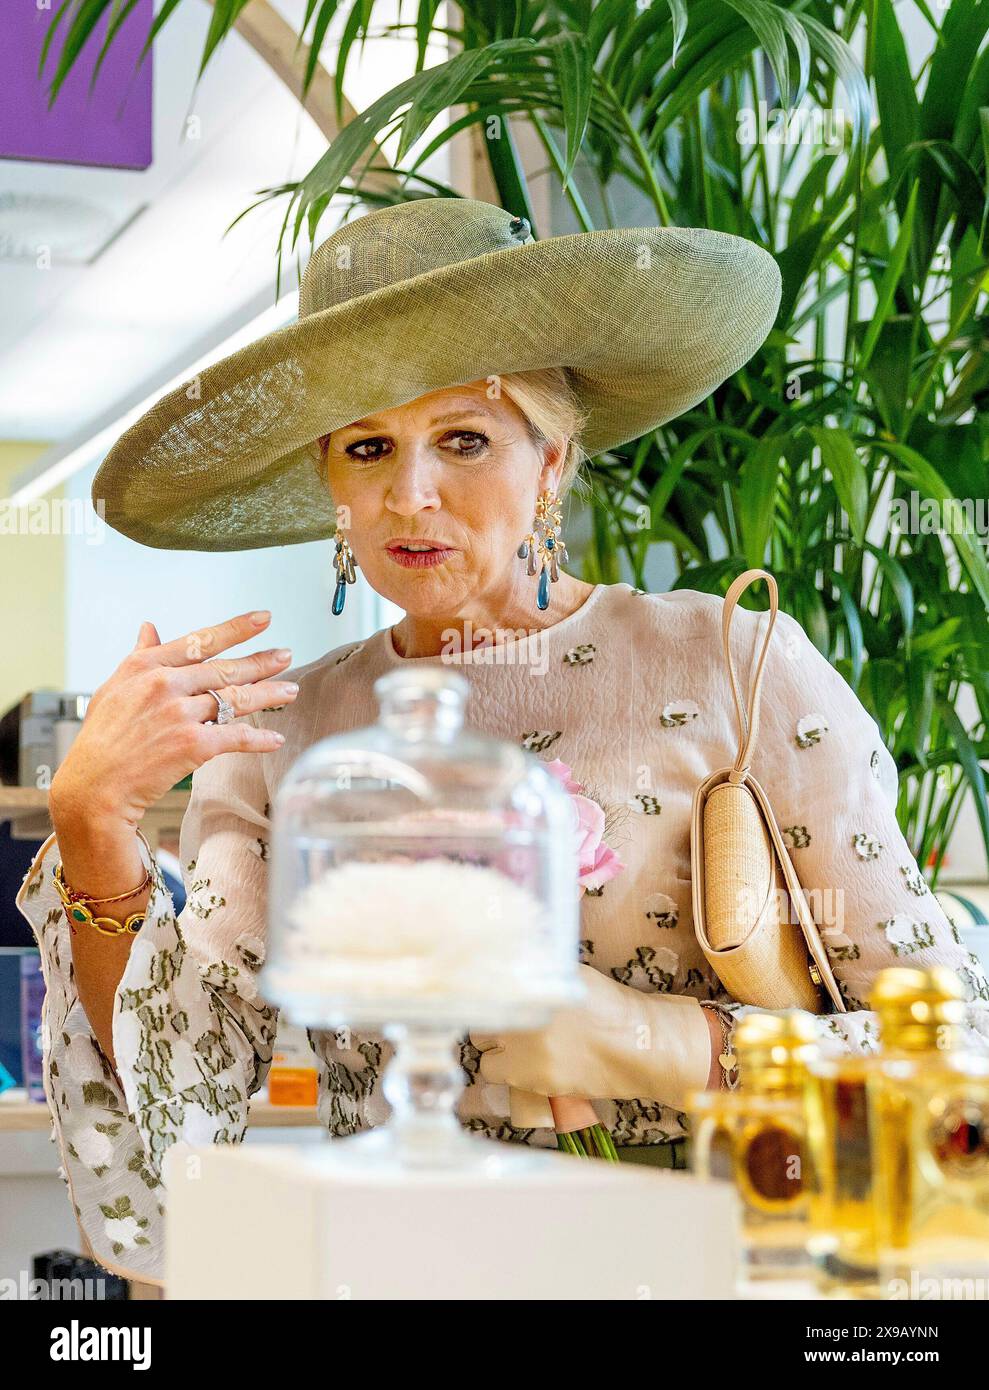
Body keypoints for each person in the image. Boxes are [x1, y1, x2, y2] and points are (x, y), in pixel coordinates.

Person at [16, 199, 989, 1285]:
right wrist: (91, 821)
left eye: (463, 439)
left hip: (708, 1276)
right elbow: (179, 1122)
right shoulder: (283, 731)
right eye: (367, 446)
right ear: (329, 486)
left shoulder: (731, 665)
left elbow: (956, 1081)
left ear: (552, 462)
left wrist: (654, 1040)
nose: (408, 492)